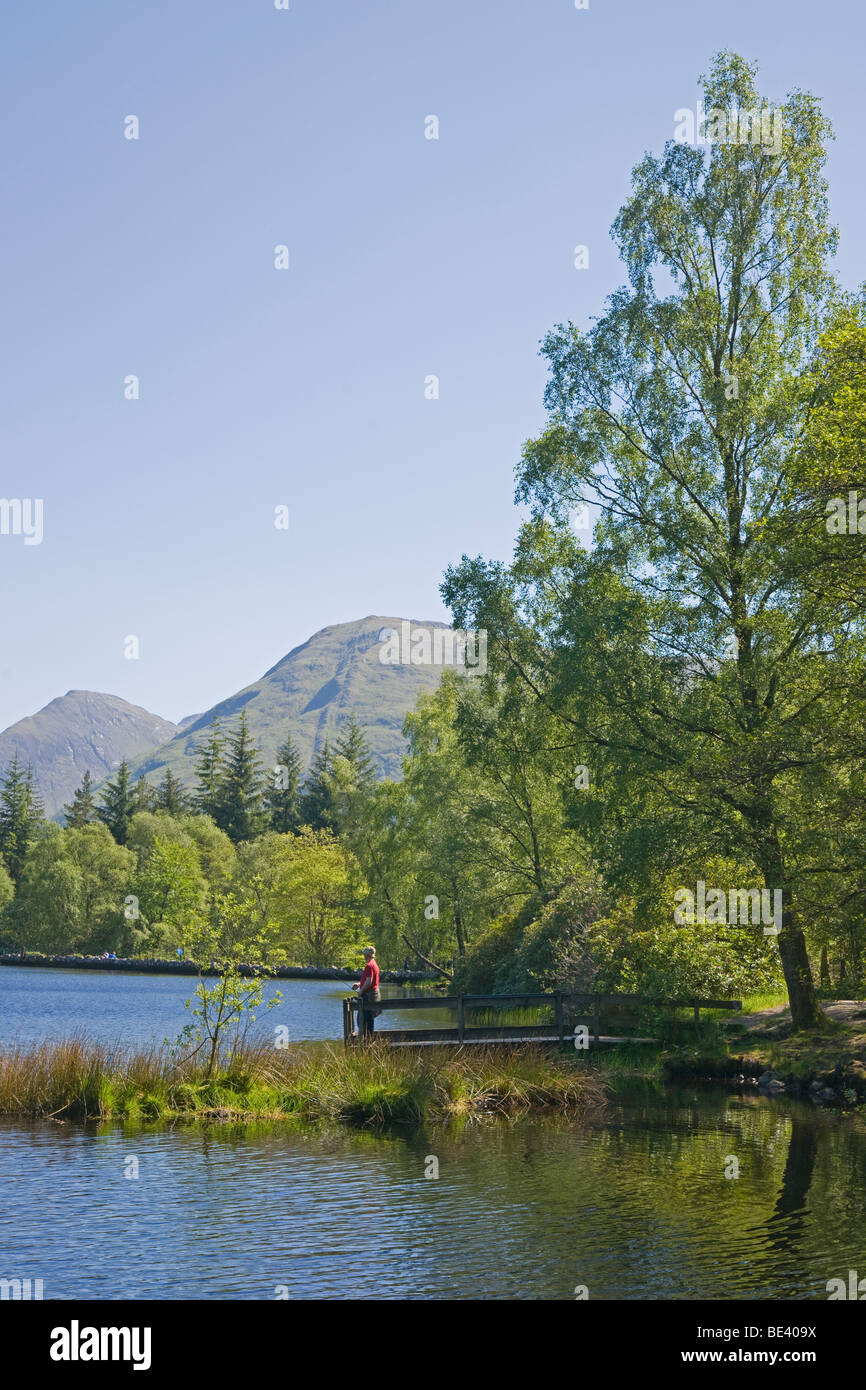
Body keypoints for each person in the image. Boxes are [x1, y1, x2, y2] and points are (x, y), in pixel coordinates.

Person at [352, 946, 381, 1038]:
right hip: (373, 995)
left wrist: (360, 991)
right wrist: (359, 984)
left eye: (364, 954)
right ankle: (368, 1041)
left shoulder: (369, 966)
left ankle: (365, 1042)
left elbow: (369, 983)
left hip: (369, 996)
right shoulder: (374, 964)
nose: (363, 956)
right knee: (369, 1021)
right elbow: (369, 981)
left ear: (367, 954)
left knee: (362, 1020)